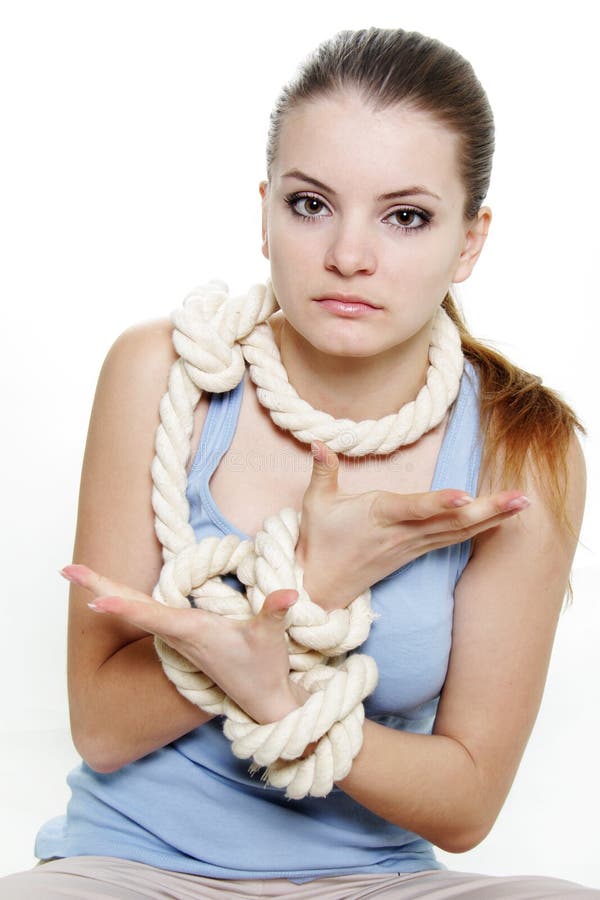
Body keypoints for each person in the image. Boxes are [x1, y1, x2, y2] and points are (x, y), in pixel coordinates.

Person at [1, 26, 596, 899]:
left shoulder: (520, 444)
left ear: (469, 240)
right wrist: (308, 584)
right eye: (311, 204)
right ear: (266, 209)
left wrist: (280, 700)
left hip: (376, 880)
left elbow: (468, 802)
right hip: (132, 867)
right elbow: (102, 729)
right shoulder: (164, 373)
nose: (348, 255)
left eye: (406, 216)